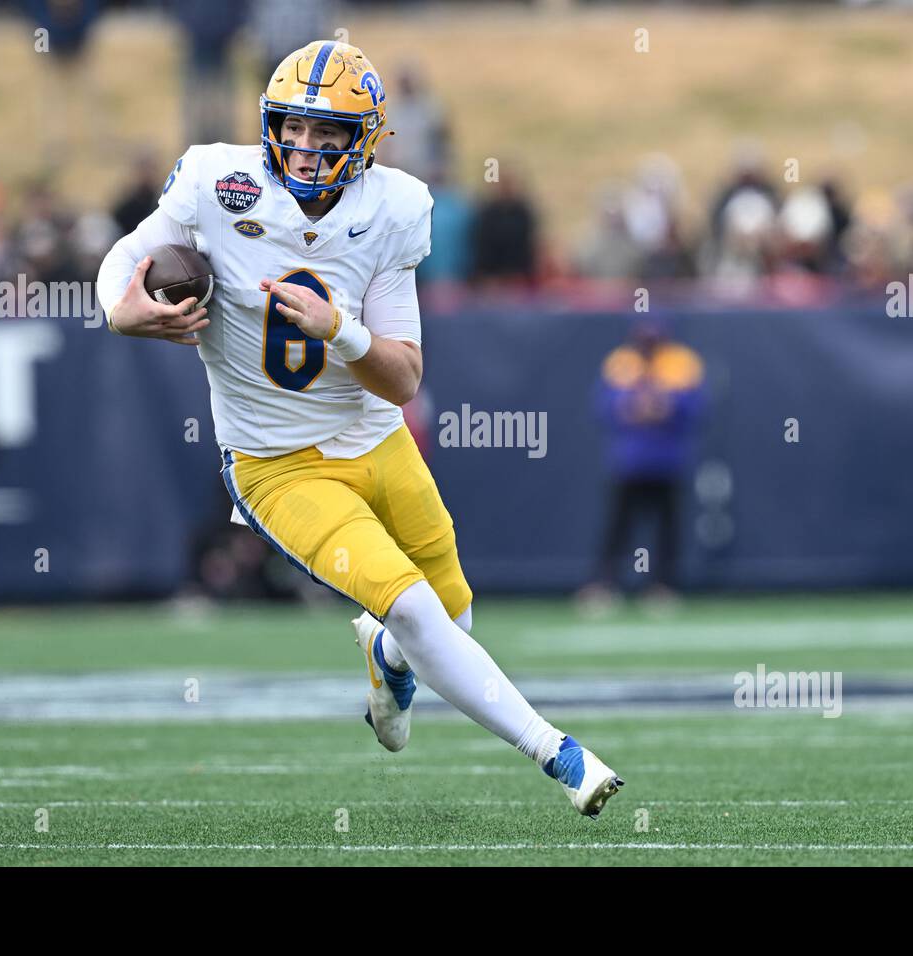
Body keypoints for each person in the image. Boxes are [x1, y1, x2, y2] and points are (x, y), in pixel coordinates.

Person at [96, 41, 623, 817]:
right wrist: (119, 308)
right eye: (294, 127)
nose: (306, 147)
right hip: (278, 465)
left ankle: (382, 653)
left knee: (450, 618)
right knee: (412, 608)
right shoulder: (218, 179)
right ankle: (559, 754)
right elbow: (126, 255)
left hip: (378, 439)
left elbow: (404, 376)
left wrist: (339, 327)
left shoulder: (395, 207)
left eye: (328, 132)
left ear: (366, 139)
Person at [582, 321, 705, 609]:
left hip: (667, 462)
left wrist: (662, 406)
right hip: (630, 461)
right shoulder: (621, 363)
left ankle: (662, 587)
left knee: (667, 527)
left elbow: (695, 409)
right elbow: (606, 408)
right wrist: (639, 407)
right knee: (619, 527)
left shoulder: (681, 364)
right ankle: (605, 585)